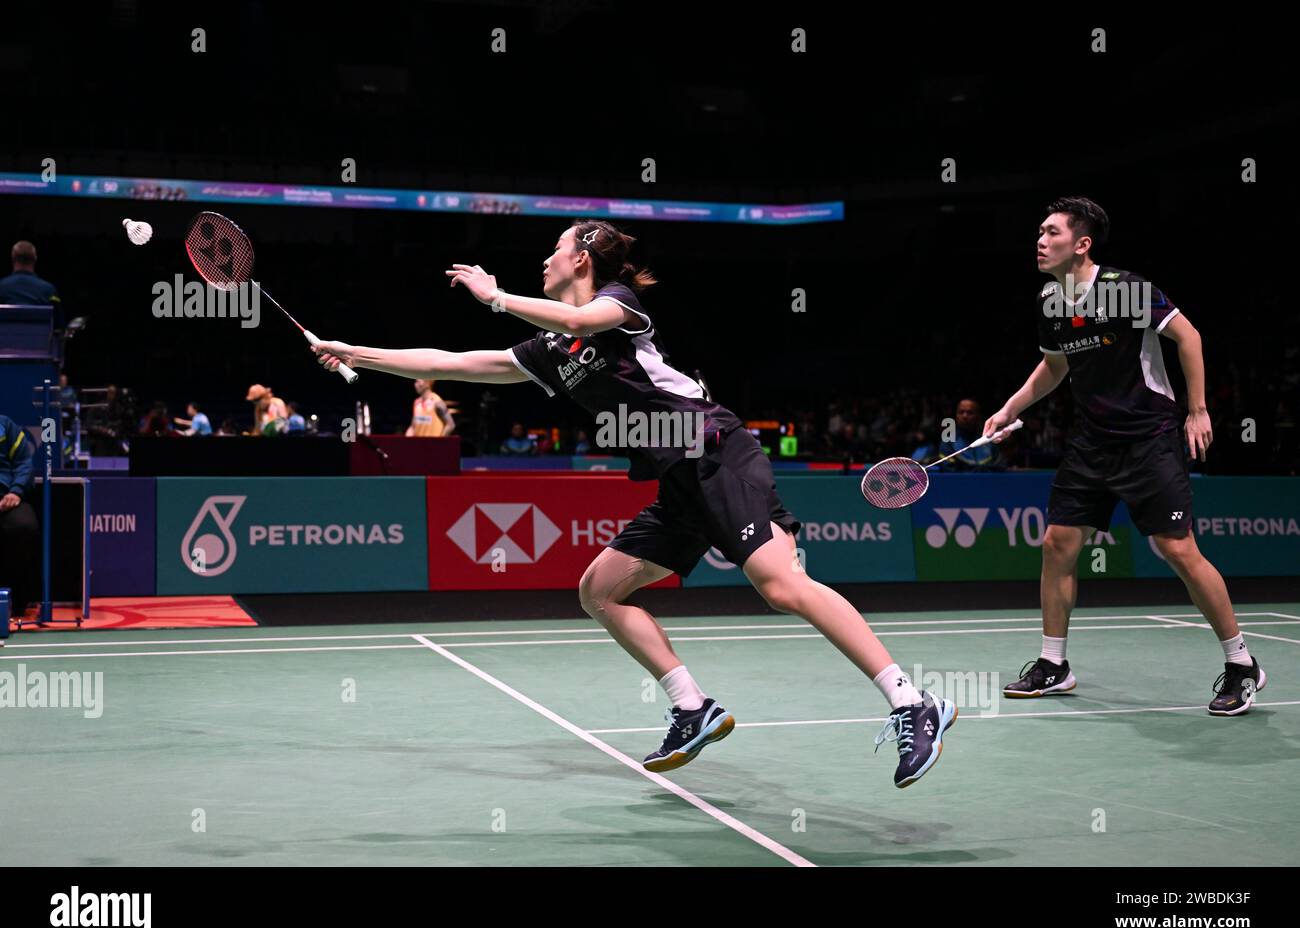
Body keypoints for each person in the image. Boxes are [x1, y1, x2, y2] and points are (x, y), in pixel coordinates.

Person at [313, 219, 957, 788]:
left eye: (555, 249)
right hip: (675, 481)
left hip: (713, 450)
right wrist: (355, 353)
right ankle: (692, 706)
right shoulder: (549, 351)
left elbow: (575, 318)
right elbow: (455, 363)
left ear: (583, 258)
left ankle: (910, 700)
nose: (546, 259)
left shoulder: (620, 306)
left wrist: (496, 297)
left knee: (781, 585)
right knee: (600, 591)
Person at [986, 197, 1260, 715]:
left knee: (1177, 550)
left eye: (1051, 232)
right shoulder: (1051, 299)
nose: (1040, 241)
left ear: (1082, 243)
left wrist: (1197, 410)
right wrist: (1008, 409)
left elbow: (1189, 337)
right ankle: (1054, 664)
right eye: (1038, 233)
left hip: (1148, 436)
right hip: (1092, 441)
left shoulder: (1125, 289)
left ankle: (1242, 663)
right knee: (1057, 544)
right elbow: (1054, 368)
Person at [0, 414, 39, 624]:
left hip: (8, 499)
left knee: (24, 527)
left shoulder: (6, 425)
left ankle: (18, 601)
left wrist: (16, 491)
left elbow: (24, 463)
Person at [0, 241, 63, 329]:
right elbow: (58, 327)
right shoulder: (49, 290)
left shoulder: (1, 286)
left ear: (12, 258)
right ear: (35, 258)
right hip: (41, 342)